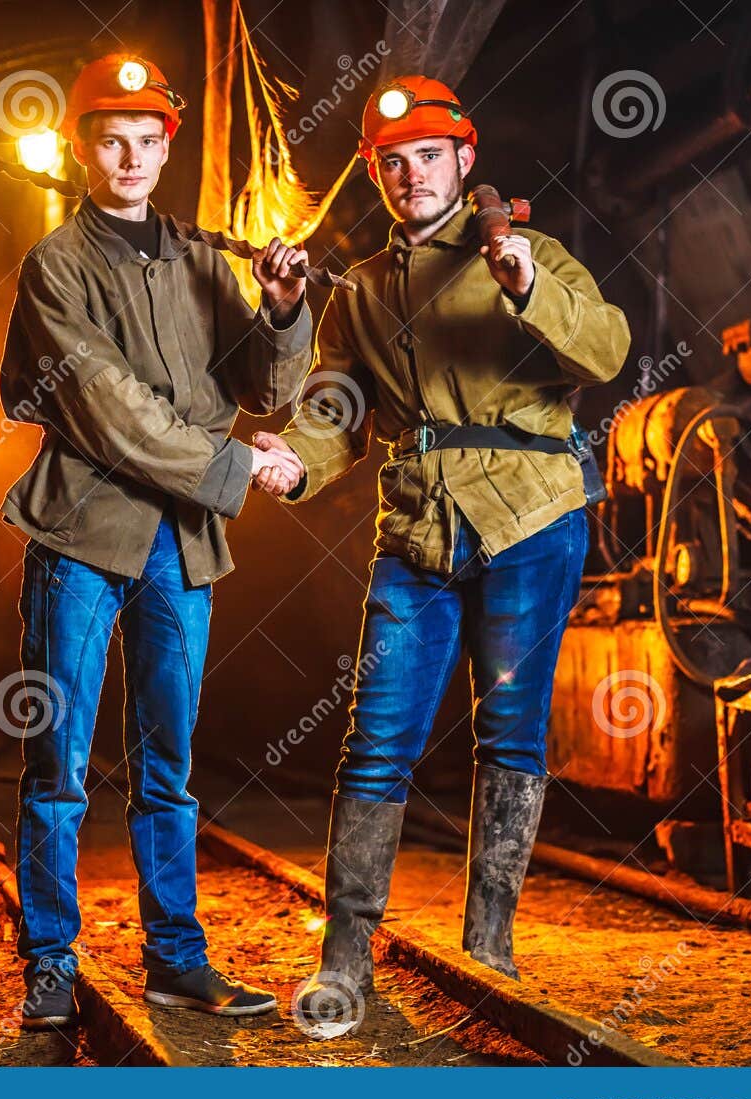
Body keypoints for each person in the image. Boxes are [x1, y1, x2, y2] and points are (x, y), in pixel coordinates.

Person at [251, 76, 630, 1034]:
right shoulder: (363, 292)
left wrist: (530, 291)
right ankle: (344, 958)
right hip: (417, 531)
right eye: (391, 161)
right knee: (376, 739)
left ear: (465, 160)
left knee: (511, 737)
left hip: (530, 523)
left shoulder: (524, 253)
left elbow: (609, 350)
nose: (408, 174)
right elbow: (337, 410)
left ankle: (490, 945)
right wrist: (296, 457)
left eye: (427, 156)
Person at [0, 54, 311, 1030]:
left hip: (179, 547)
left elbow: (268, 388)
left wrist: (285, 306)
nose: (129, 155)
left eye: (146, 138)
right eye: (109, 137)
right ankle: (50, 960)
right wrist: (234, 470)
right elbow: (105, 407)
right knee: (60, 762)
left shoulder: (206, 258)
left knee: (167, 763)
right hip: (83, 536)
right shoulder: (57, 263)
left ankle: (176, 959)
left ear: (165, 147)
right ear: (82, 147)